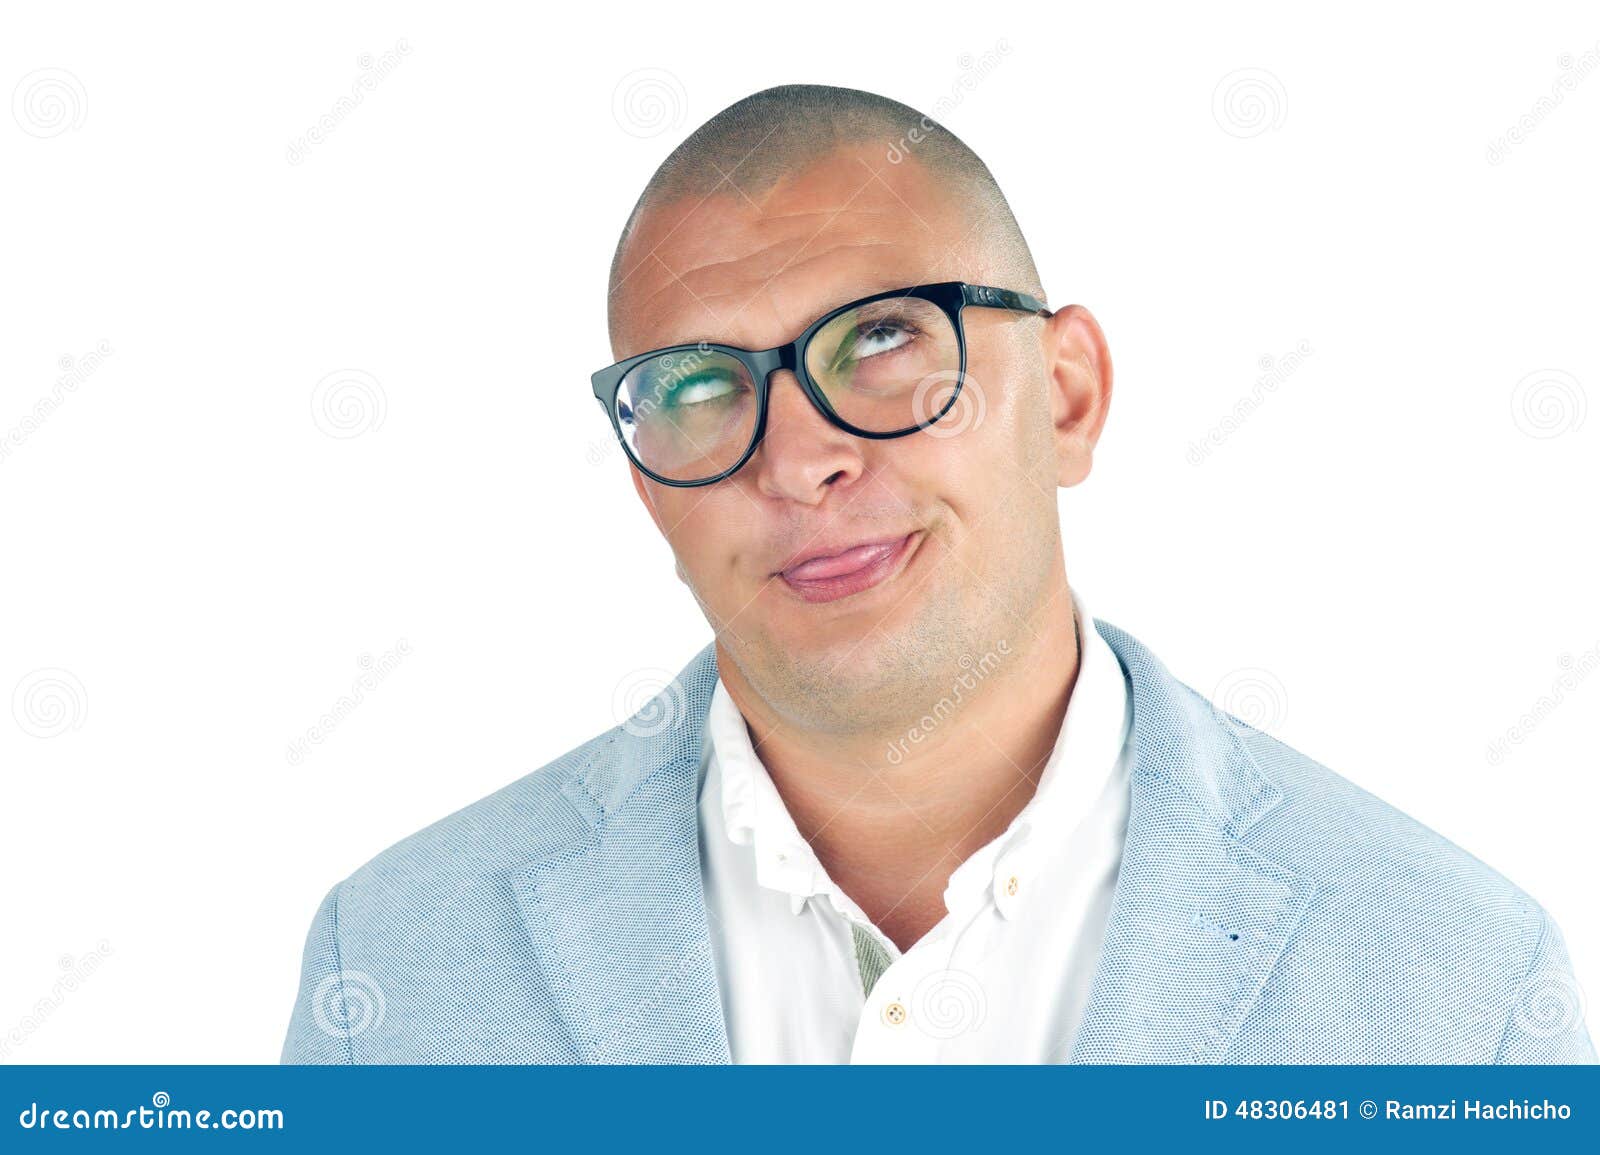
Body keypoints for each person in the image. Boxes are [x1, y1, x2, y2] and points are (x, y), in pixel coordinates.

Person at [282, 84, 1593, 1064]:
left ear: (1069, 395)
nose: (798, 459)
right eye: (696, 386)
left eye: (885, 339)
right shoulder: (392, 966)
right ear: (645, 486)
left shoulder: (1461, 987)